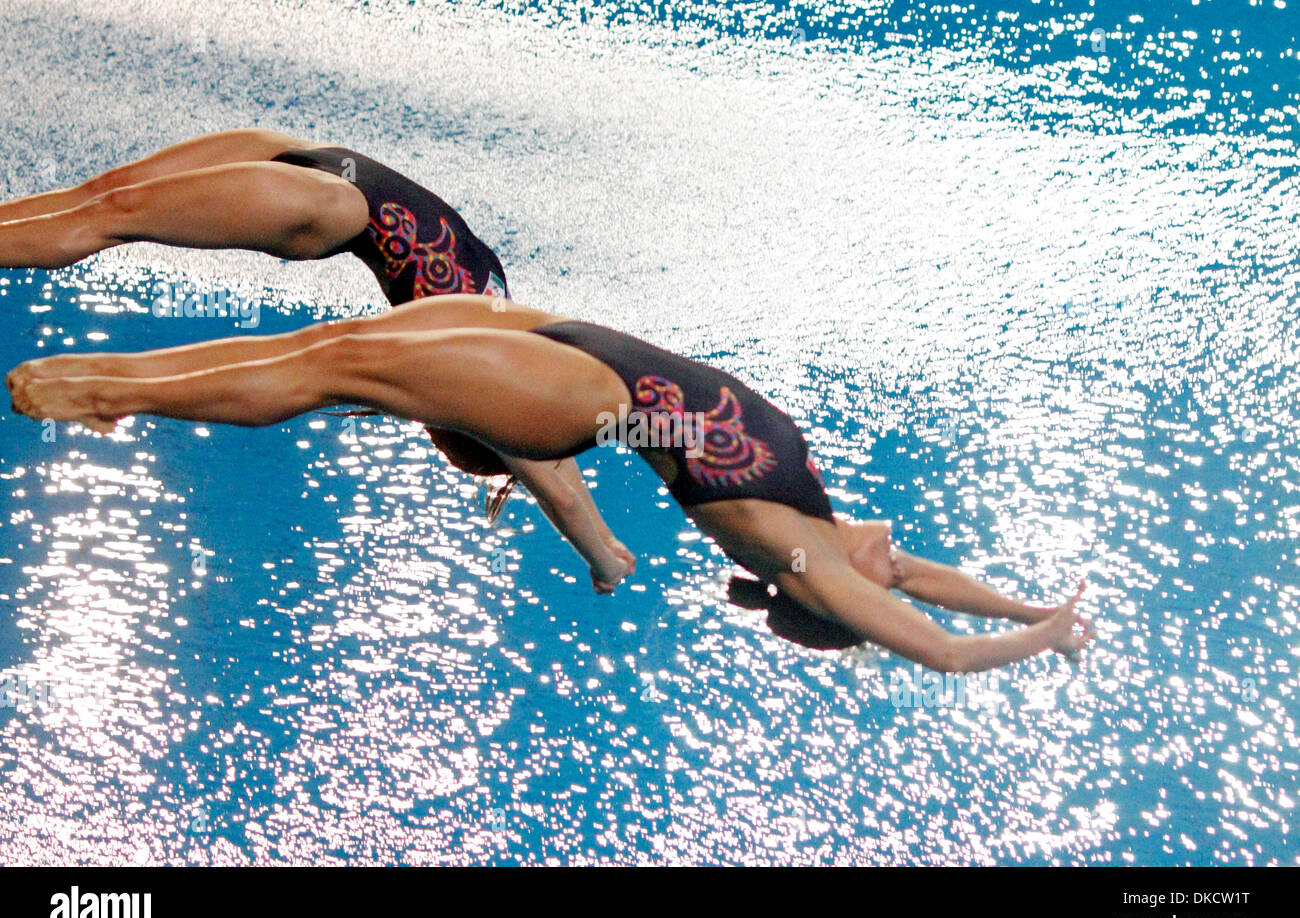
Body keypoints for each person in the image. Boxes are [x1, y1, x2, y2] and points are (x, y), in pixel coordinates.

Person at [6, 294, 1094, 671]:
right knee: (338, 344)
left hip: (575, 393)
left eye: (881, 583)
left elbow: (940, 645)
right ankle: (122, 381)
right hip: (578, 341)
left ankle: (114, 392)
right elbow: (940, 588)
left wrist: (1037, 640)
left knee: (334, 373)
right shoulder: (826, 527)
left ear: (836, 598)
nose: (899, 556)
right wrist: (1031, 602)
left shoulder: (799, 553)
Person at [0, 129, 631, 583]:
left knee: (109, 211)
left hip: (330, 197)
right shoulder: (510, 381)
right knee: (108, 199)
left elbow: (561, 489)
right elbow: (562, 487)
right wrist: (605, 561)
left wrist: (603, 553)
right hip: (315, 164)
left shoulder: (491, 358)